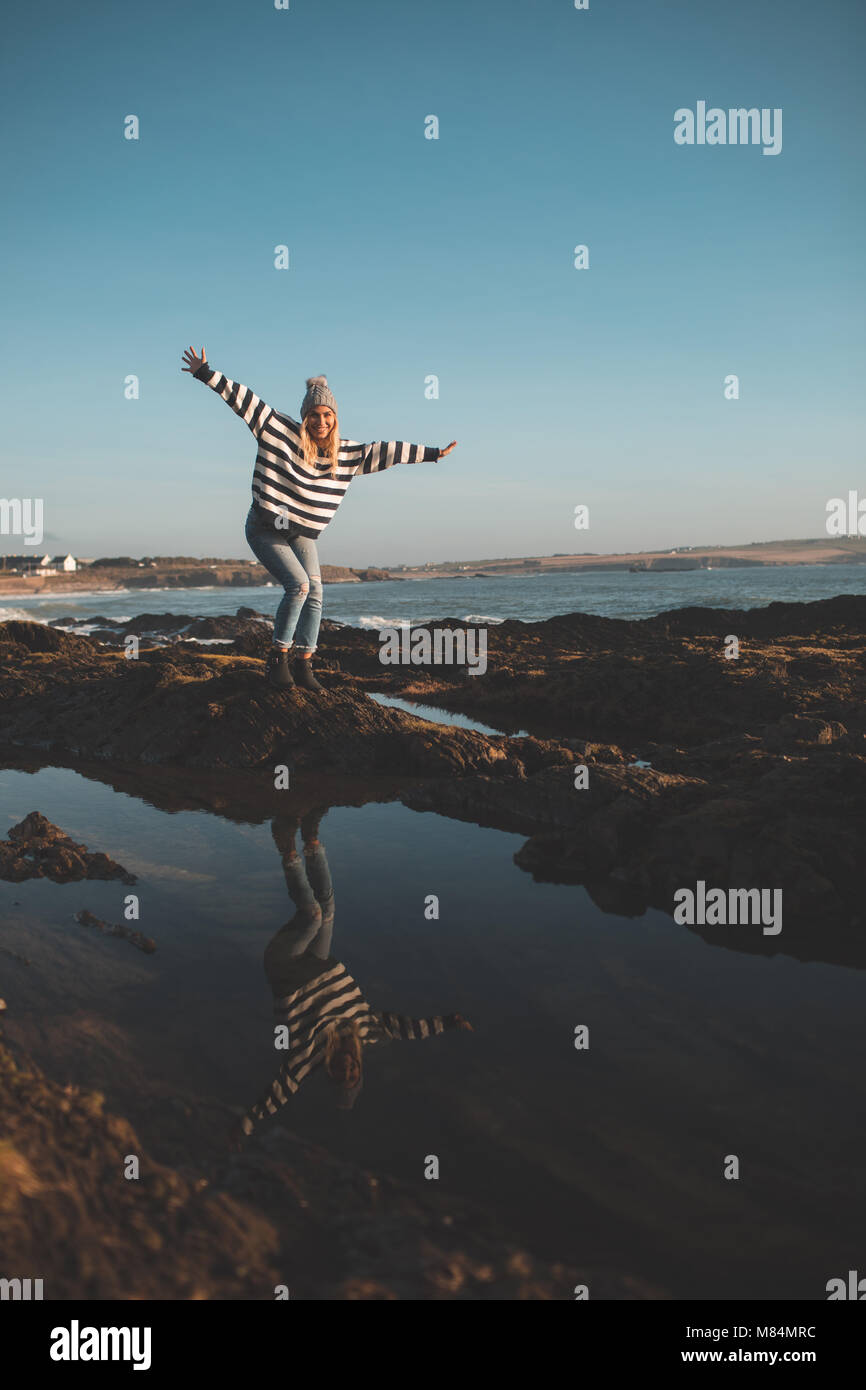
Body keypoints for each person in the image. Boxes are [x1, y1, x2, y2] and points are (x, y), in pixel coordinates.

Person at [181, 347, 457, 692]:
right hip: (266, 527)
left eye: (327, 415)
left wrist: (432, 454)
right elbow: (244, 400)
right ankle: (277, 659)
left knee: (316, 592)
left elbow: (388, 451)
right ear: (305, 416)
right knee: (298, 586)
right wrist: (206, 372)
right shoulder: (277, 429)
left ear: (335, 418)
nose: (321, 422)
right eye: (314, 415)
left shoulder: (345, 454)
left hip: (301, 533)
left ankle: (304, 663)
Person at [228, 811, 472, 1145]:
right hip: (318, 962)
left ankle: (286, 846)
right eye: (352, 1074)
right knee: (327, 906)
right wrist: (449, 1021)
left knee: (312, 916)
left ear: (328, 1071)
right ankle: (311, 838)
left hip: (284, 968)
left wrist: (246, 1123)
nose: (346, 1069)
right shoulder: (369, 1033)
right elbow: (406, 1029)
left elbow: (280, 1091)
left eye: (339, 1074)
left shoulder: (308, 1057)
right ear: (359, 1069)